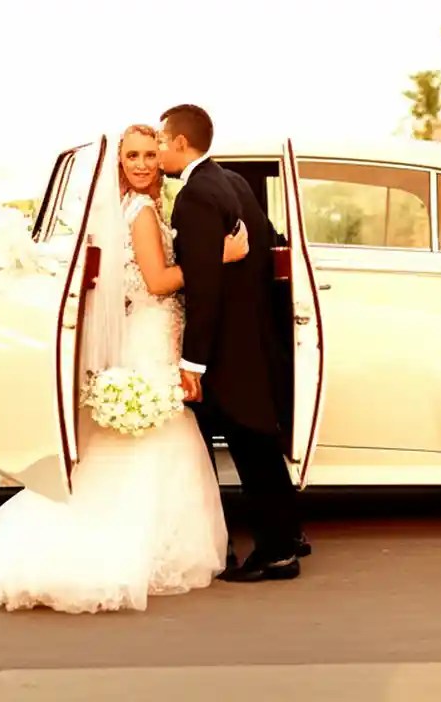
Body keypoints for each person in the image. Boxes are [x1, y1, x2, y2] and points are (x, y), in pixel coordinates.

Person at [0, 125, 248, 613]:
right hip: (151, 332)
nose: (143, 164)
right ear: (118, 163)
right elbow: (160, 281)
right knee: (160, 438)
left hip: (143, 330)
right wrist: (219, 256)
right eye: (133, 156)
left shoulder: (130, 209)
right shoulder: (143, 213)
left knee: (140, 444)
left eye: (150, 154)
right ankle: (137, 544)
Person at [158, 103, 307, 582]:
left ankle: (276, 552)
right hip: (254, 337)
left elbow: (206, 288)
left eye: (161, 142)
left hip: (227, 347)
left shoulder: (195, 196)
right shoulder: (235, 183)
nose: (159, 151)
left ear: (181, 142)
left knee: (249, 447)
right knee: (261, 442)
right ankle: (290, 535)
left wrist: (193, 362)